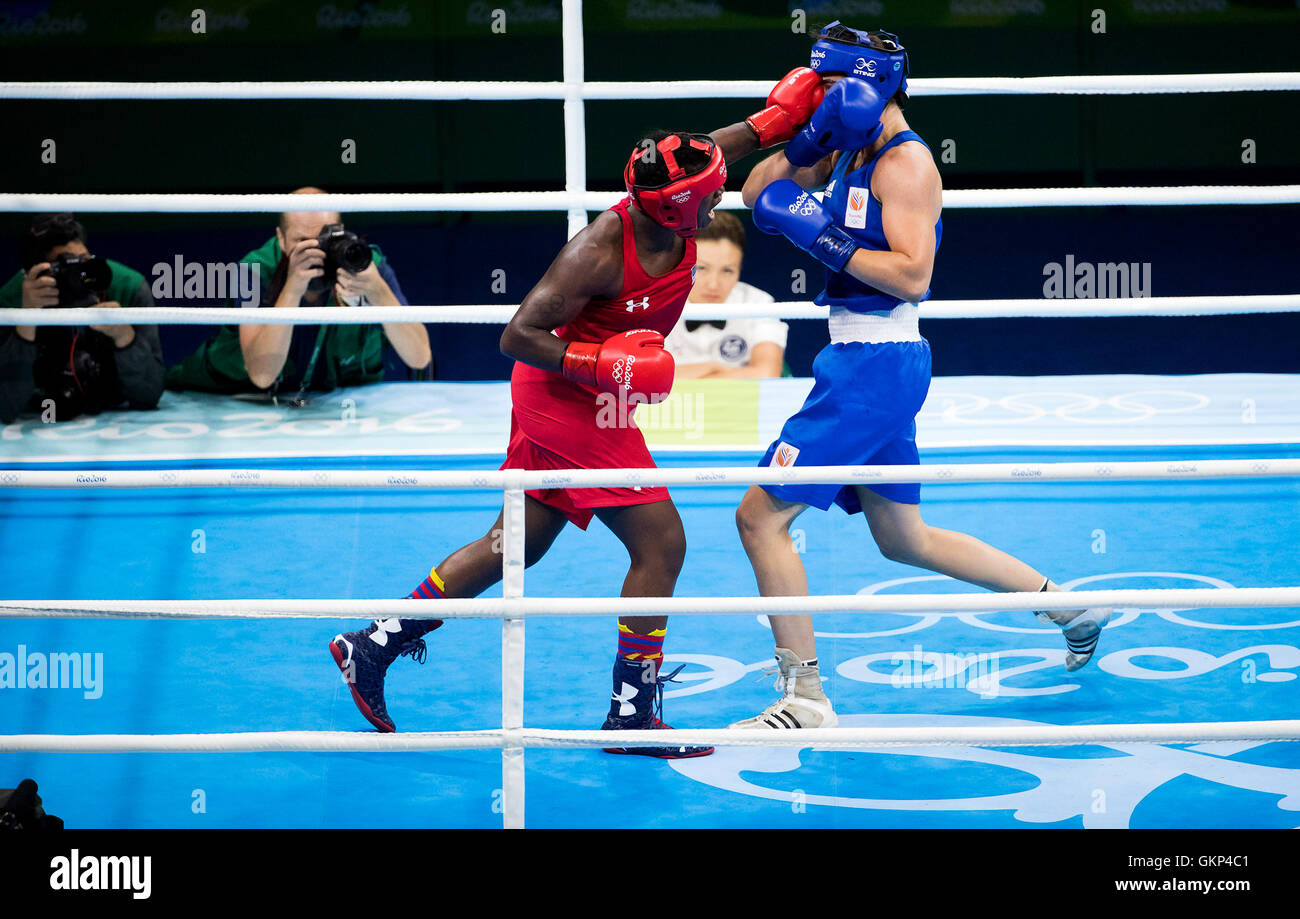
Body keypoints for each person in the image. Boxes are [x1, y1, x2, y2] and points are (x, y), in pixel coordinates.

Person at [326, 64, 828, 755]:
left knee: (515, 547)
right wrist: (598, 364)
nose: (719, 201)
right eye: (707, 198)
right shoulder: (596, 252)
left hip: (588, 394)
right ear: (676, 208)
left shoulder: (674, 179)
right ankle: (631, 715)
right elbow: (516, 335)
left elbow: (730, 144)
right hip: (566, 394)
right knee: (662, 542)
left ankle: (373, 641)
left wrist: (786, 116)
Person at [730, 23, 1111, 730]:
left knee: (759, 517)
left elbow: (913, 275)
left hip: (875, 363)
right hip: (864, 360)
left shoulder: (905, 166)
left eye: (826, 89)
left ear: (863, 87)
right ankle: (1069, 604)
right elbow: (757, 193)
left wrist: (824, 235)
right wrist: (807, 141)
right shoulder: (846, 145)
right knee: (904, 537)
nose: (818, 100)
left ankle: (806, 698)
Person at [165, 187, 431, 401]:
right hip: (233, 396)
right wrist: (292, 288)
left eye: (326, 239)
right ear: (280, 238)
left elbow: (420, 357)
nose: (316, 251)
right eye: (302, 242)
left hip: (335, 403)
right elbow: (261, 375)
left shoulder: (365, 264)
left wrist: (378, 291)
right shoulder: (252, 272)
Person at [0, 214, 164, 424]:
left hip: (109, 405)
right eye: (66, 267)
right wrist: (26, 320)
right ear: (36, 273)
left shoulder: (127, 288)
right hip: (44, 409)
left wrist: (125, 337)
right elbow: (6, 407)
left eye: (85, 261)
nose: (81, 275)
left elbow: (149, 396)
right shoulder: (11, 301)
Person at [664, 211, 787, 379]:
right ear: (680, 262)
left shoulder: (759, 303)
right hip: (674, 405)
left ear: (740, 268)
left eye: (727, 270)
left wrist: (687, 376)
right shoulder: (657, 304)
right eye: (702, 268)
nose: (714, 284)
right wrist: (714, 367)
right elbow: (641, 380)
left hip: (740, 404)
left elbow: (767, 373)